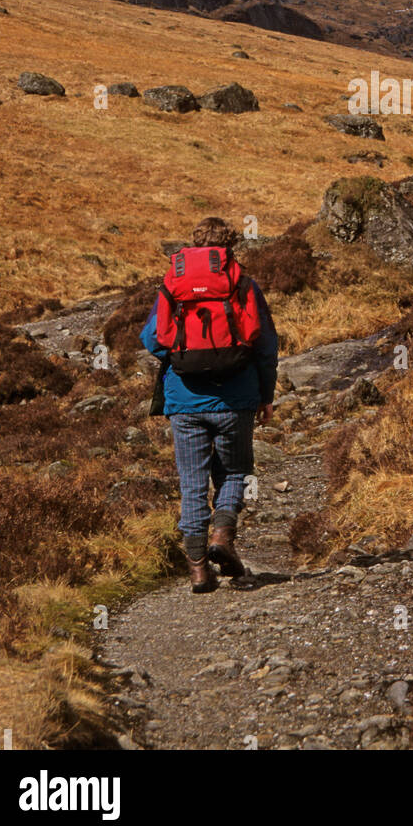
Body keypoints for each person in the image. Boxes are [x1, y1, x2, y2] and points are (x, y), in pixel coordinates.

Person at [140, 217, 278, 592]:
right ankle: (221, 537)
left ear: (193, 246)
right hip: (237, 399)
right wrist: (266, 396)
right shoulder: (244, 285)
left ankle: (199, 570)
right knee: (236, 473)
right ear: (229, 249)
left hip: (184, 401)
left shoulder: (174, 285)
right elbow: (266, 347)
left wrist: (188, 351)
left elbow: (152, 340)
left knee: (192, 484)